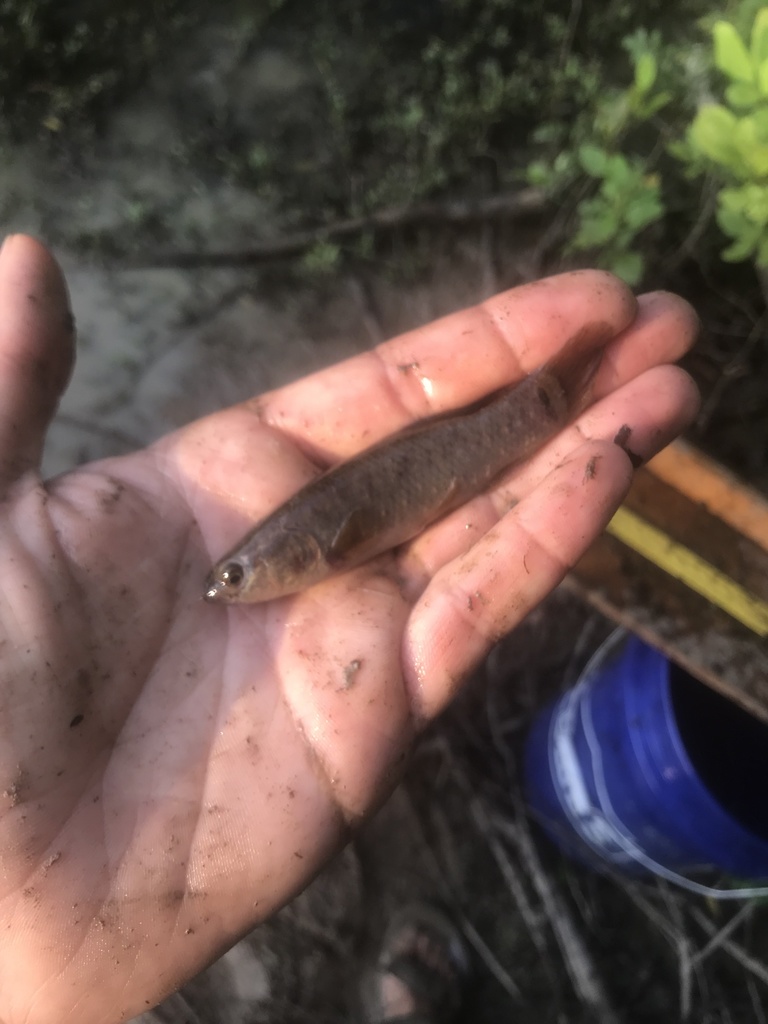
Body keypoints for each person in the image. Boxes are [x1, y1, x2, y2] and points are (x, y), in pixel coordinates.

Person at [0, 235, 699, 1024]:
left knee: (550, 412)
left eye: (239, 574)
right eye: (234, 575)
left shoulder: (313, 547)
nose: (227, 587)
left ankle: (559, 390)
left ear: (290, 557)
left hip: (465, 451)